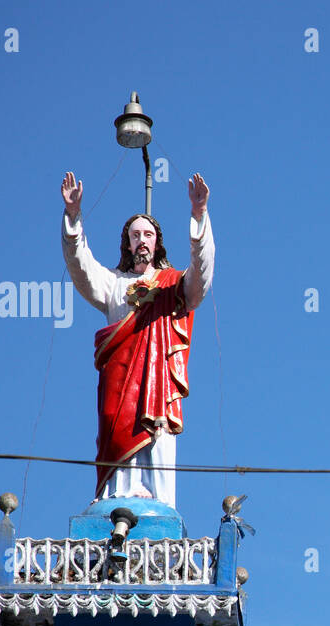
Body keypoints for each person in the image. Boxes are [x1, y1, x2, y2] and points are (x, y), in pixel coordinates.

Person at [60, 170, 214, 507]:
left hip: (158, 382)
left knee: (158, 432)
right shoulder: (114, 284)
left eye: (147, 234)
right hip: (118, 382)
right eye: (135, 235)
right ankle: (118, 497)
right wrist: (73, 217)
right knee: (118, 434)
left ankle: (159, 503)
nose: (142, 240)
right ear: (127, 244)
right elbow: (81, 268)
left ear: (157, 241)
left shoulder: (173, 283)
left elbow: (200, 281)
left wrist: (199, 216)